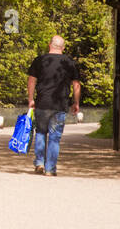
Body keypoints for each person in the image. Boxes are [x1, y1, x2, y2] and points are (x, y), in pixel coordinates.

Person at [26, 35, 82, 176]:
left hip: (42, 103)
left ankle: (39, 163)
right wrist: (76, 102)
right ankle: (50, 169)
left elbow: (31, 81)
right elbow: (76, 84)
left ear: (49, 44)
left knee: (40, 133)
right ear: (63, 48)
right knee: (54, 138)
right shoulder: (69, 62)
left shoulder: (40, 60)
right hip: (60, 104)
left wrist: (31, 99)